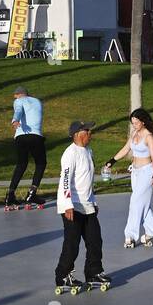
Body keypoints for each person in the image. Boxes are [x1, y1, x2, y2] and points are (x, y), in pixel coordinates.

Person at [55, 121, 110, 292]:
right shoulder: (70, 154)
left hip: (87, 205)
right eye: (87, 131)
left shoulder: (88, 151)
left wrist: (93, 202)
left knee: (95, 241)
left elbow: (88, 181)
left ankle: (93, 272)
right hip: (72, 206)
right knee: (72, 244)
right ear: (78, 134)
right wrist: (67, 205)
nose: (90, 133)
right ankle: (62, 276)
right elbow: (65, 181)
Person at [105, 109, 153, 248]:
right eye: (132, 123)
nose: (134, 125)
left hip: (147, 173)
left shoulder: (148, 136)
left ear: (143, 121)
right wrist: (112, 161)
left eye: (136, 122)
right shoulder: (134, 133)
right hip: (135, 173)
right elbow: (126, 149)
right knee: (143, 204)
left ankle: (130, 235)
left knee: (135, 203)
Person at [5, 86, 47, 210]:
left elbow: (18, 110)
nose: (15, 99)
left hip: (20, 137)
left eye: (15, 96)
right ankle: (32, 194)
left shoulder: (19, 101)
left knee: (21, 164)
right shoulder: (38, 101)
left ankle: (10, 195)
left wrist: (15, 120)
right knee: (40, 163)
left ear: (19, 94)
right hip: (36, 136)